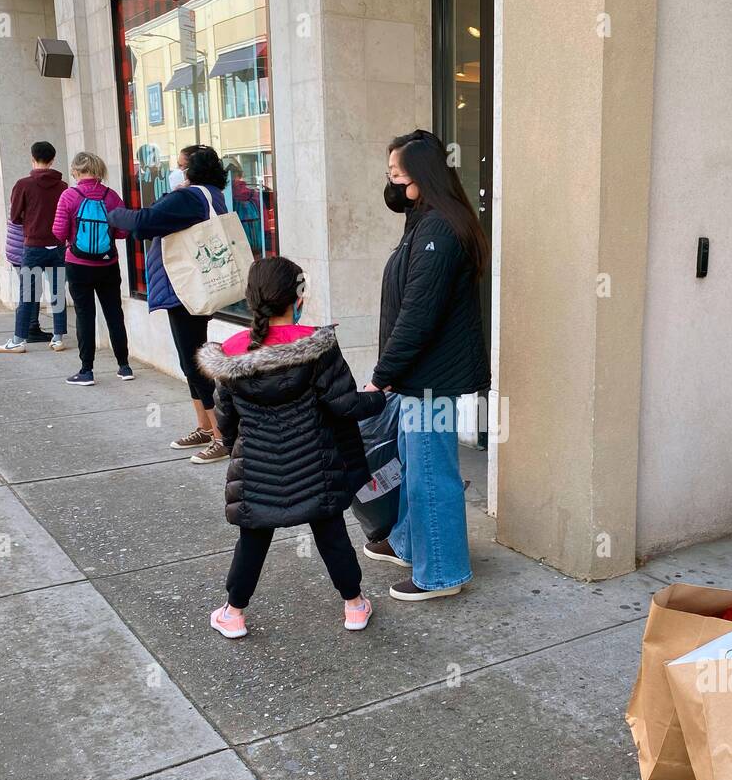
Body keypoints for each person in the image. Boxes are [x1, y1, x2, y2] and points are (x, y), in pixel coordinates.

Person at [196, 256, 386, 637]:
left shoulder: (230, 354)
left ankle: (233, 614)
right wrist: (378, 396)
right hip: (316, 465)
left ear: (252, 300)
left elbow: (226, 421)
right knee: (332, 535)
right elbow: (345, 405)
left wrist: (241, 453)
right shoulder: (318, 345)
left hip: (257, 468)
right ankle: (353, 606)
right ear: (297, 297)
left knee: (253, 539)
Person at [361, 129, 491, 601]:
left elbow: (419, 314)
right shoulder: (427, 219)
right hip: (422, 377)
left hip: (430, 381)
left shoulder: (438, 228)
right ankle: (409, 544)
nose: (391, 182)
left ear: (421, 174)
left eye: (397, 173)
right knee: (417, 468)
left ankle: (442, 573)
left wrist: (383, 377)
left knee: (431, 475)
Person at [107, 145, 229, 464]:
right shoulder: (209, 193)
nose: (176, 171)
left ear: (193, 170)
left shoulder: (190, 197)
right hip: (189, 287)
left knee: (195, 362)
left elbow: (144, 222)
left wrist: (112, 211)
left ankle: (221, 436)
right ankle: (204, 426)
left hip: (185, 289)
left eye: (180, 166)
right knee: (190, 359)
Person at [51, 152, 133, 386]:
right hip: (108, 264)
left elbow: (58, 232)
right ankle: (124, 366)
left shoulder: (69, 196)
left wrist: (74, 239)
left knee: (85, 316)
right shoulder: (111, 196)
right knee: (114, 313)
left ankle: (86, 371)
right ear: (98, 170)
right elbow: (123, 231)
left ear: (76, 171)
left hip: (78, 265)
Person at [0, 141, 68, 354]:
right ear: (53, 159)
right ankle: (57, 338)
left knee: (27, 294)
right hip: (57, 245)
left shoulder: (23, 184)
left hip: (33, 245)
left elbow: (15, 217)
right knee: (57, 293)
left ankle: (18, 340)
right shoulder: (63, 186)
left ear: (32, 158)